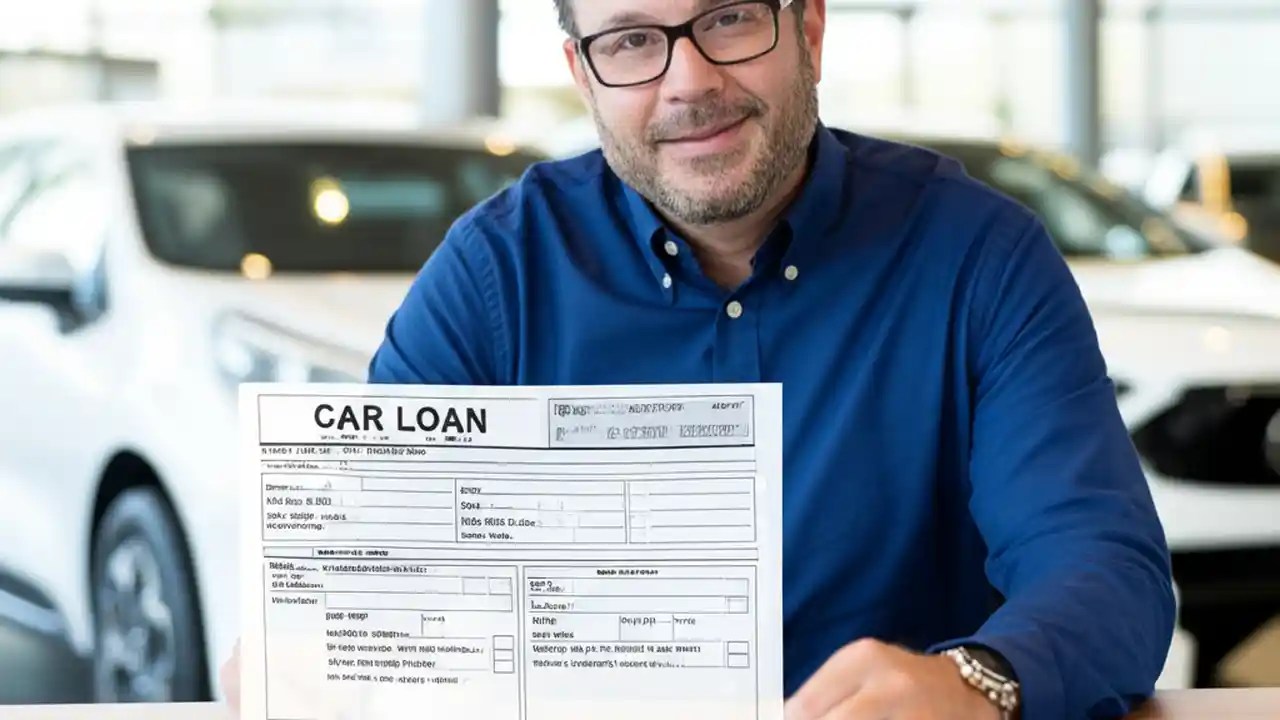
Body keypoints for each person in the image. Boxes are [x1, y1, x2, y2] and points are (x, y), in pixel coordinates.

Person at [223, 0, 1176, 717]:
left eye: (726, 18)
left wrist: (974, 684)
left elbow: (1101, 567)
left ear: (808, 26)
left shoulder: (976, 254)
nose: (687, 82)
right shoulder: (495, 276)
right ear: (581, 69)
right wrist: (293, 654)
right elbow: (365, 582)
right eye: (631, 39)